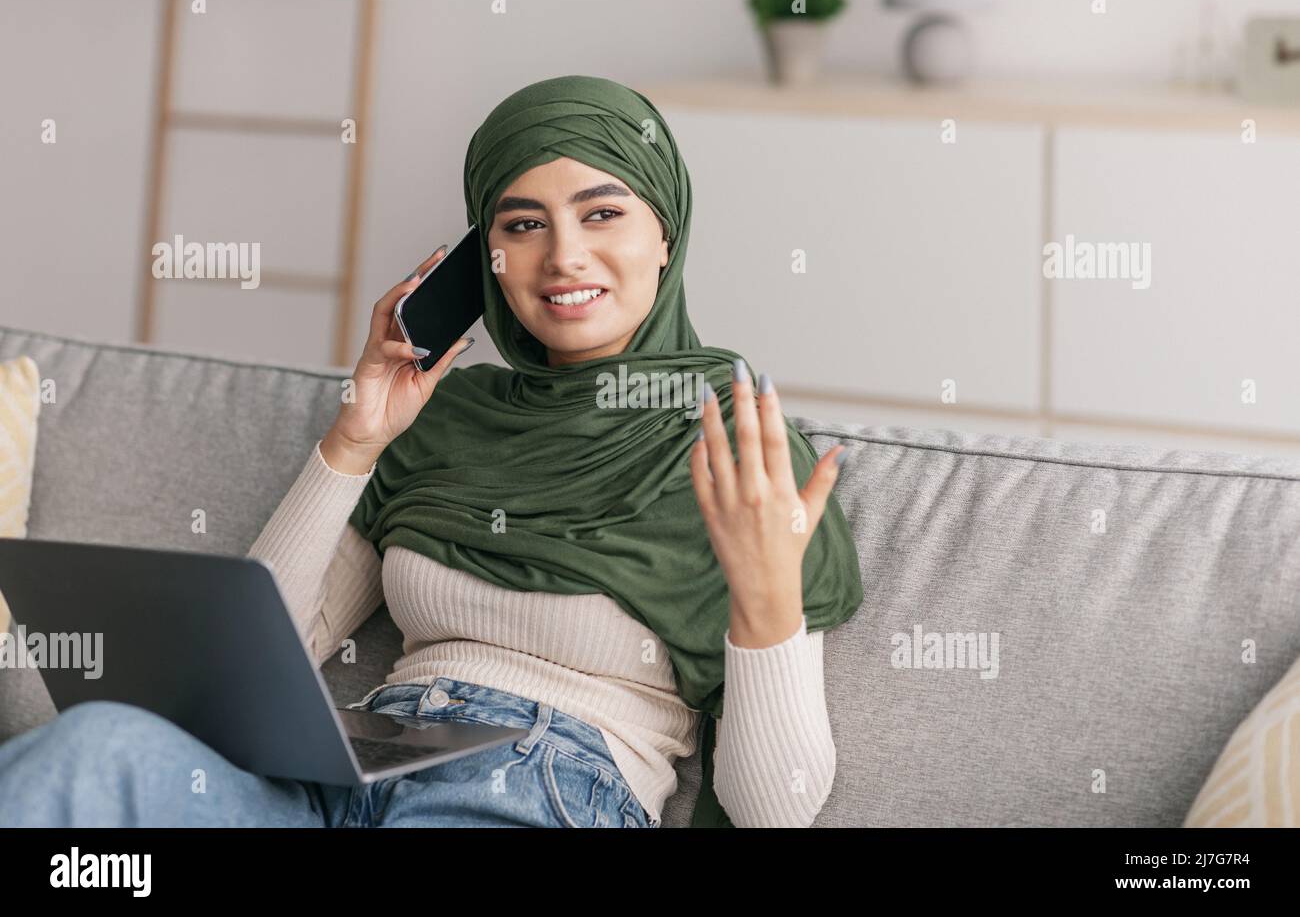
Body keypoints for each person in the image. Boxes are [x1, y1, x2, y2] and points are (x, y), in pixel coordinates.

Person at [0, 75, 863, 828]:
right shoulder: (445, 420)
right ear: (488, 256)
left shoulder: (737, 445)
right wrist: (355, 440)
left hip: (537, 788)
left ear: (666, 235)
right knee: (97, 745)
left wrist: (765, 599)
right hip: (346, 770)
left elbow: (774, 806)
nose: (564, 256)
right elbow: (259, 662)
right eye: (523, 224)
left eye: (603, 212)